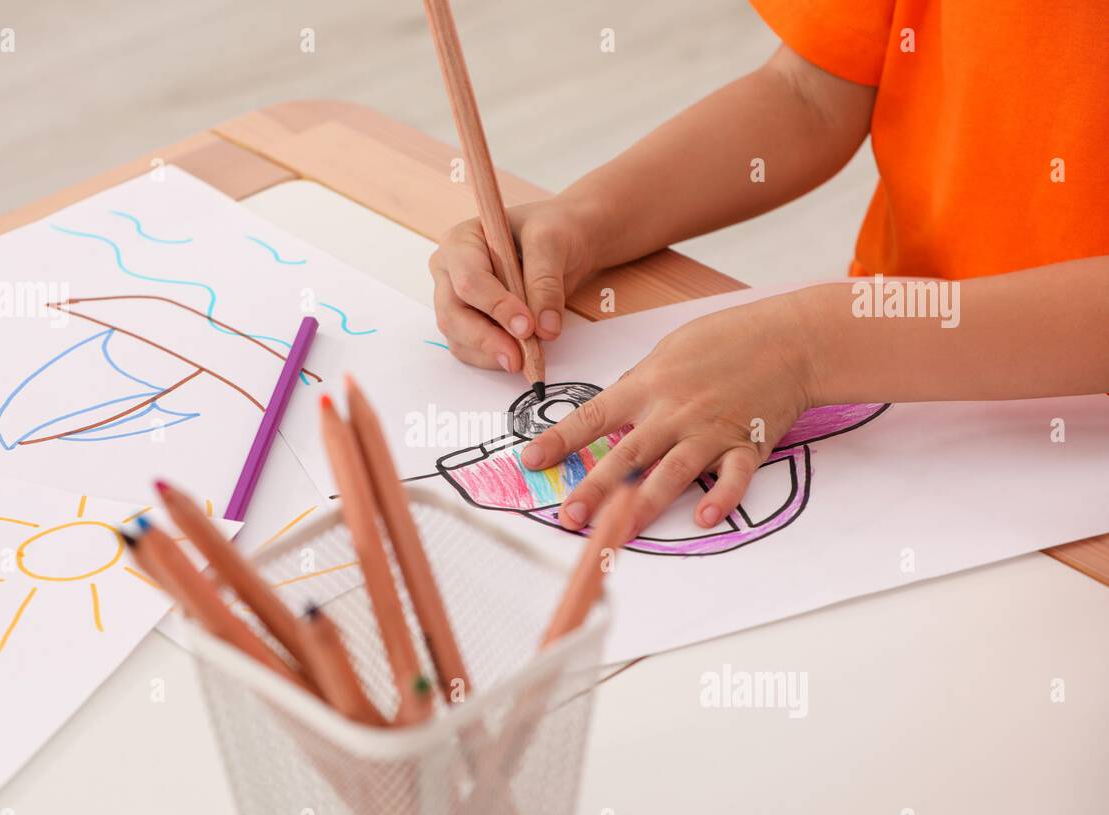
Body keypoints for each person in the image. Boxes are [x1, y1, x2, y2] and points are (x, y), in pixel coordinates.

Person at [427, 1, 1109, 536]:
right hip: (897, 403)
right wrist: (583, 223)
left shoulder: (822, 347)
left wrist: (809, 346)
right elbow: (813, 91)